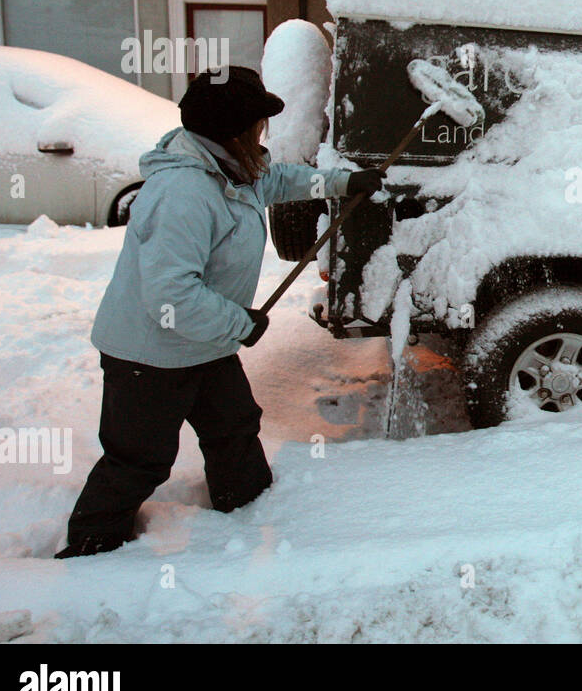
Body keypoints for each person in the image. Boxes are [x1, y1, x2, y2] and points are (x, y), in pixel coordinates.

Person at [57, 67, 383, 559]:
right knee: (138, 460)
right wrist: (239, 323)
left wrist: (343, 182)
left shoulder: (231, 168)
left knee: (234, 428)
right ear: (234, 130)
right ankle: (90, 554)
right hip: (151, 354)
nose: (262, 133)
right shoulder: (184, 193)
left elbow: (278, 180)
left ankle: (251, 516)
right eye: (257, 123)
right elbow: (171, 296)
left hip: (204, 343)